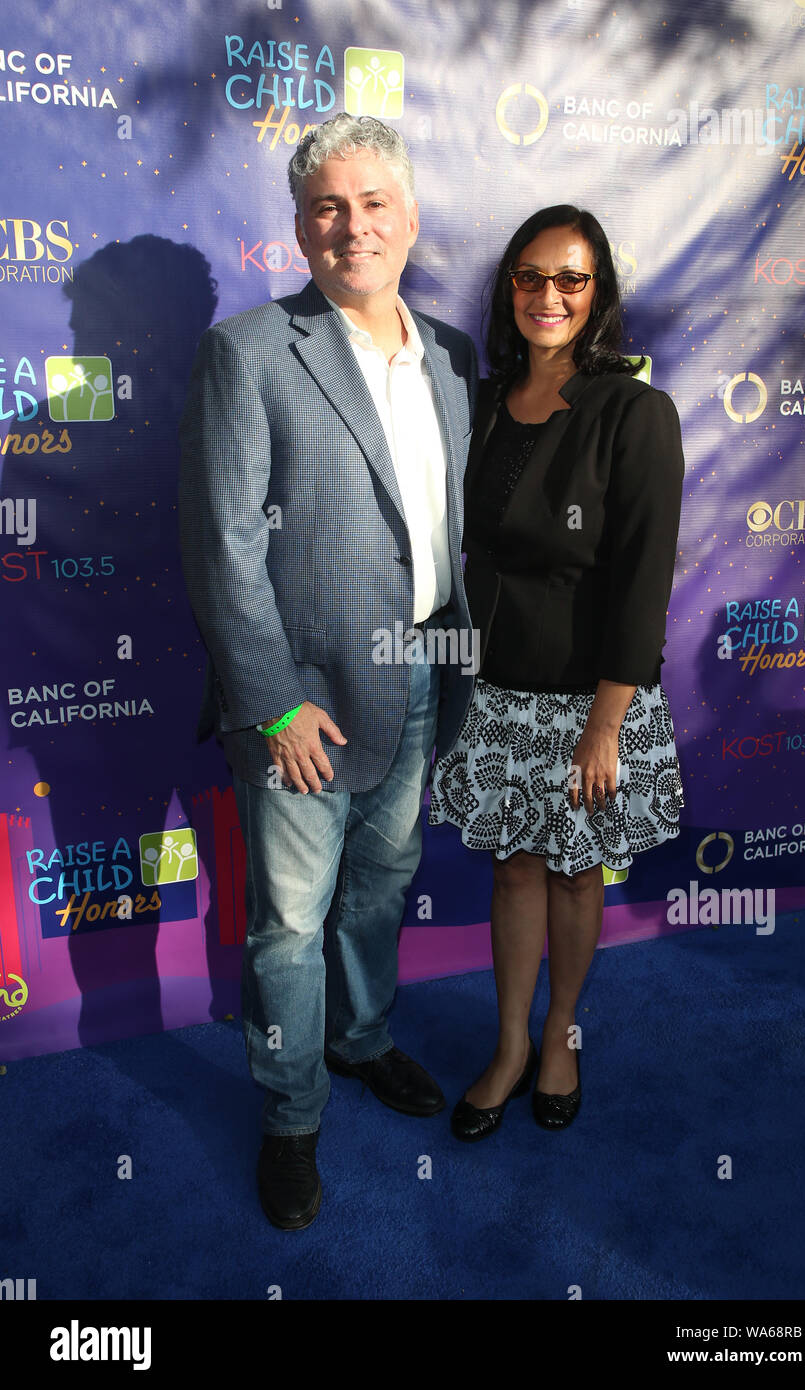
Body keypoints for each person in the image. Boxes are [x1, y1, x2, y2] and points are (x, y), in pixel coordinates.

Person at [179, 114, 479, 1227]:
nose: (352, 227)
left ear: (409, 217)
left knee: (381, 889)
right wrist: (269, 705)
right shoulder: (249, 351)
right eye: (327, 208)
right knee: (288, 926)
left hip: (419, 680)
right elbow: (223, 547)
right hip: (300, 701)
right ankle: (290, 1116)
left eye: (373, 204)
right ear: (300, 229)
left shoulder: (453, 354)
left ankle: (359, 1043)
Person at [429, 204, 685, 1141]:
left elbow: (644, 580)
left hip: (592, 699)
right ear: (510, 287)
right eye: (531, 277)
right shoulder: (485, 402)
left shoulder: (634, 411)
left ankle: (561, 1038)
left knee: (579, 877)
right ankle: (507, 1047)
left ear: (599, 294)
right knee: (513, 875)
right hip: (498, 695)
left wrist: (606, 726)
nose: (549, 295)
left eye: (571, 279)